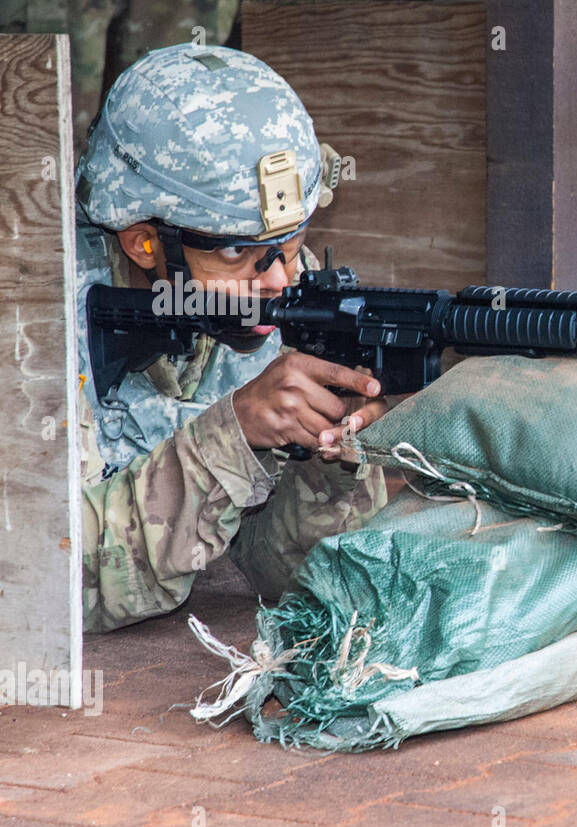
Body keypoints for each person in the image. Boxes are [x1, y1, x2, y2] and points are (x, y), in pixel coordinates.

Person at [75, 44, 387, 633]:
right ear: (144, 243)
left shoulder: (271, 291)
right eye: (236, 250)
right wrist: (231, 435)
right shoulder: (35, 321)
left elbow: (307, 579)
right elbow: (44, 586)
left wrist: (328, 457)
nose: (279, 279)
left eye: (291, 242)